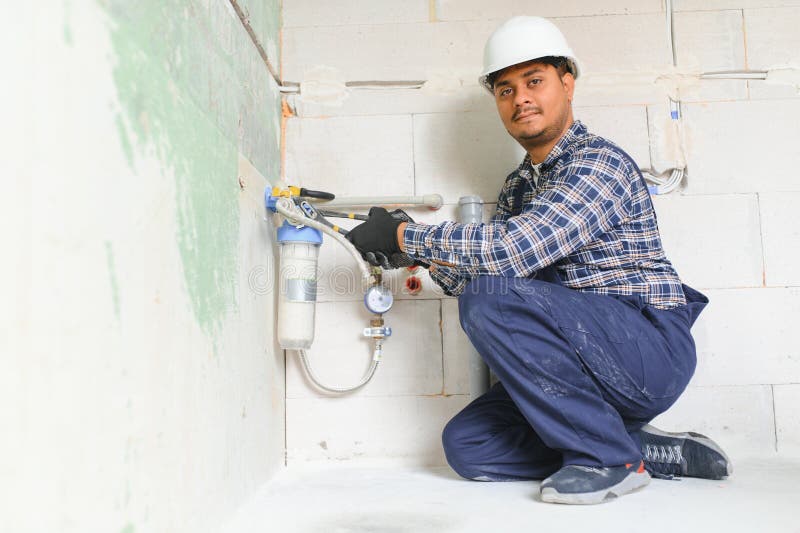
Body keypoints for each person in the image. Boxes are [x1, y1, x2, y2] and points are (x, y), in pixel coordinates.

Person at [346, 16, 730, 505]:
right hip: (576, 359)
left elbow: (512, 251)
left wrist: (409, 232)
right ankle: (632, 446)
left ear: (567, 83)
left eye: (534, 82)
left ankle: (609, 461)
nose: (520, 98)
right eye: (505, 90)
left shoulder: (598, 163)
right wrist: (413, 254)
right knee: (469, 446)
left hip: (646, 349)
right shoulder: (518, 187)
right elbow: (485, 289)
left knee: (492, 296)